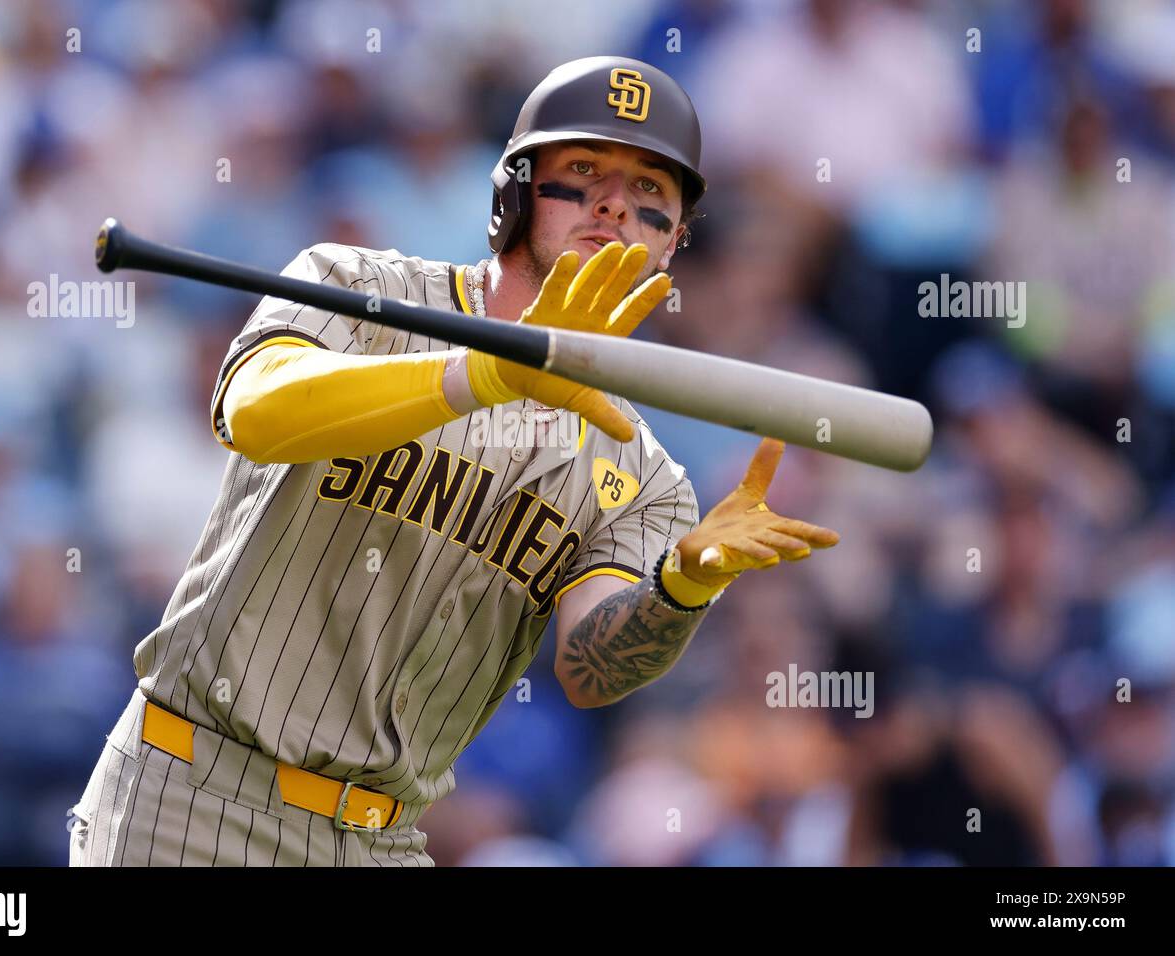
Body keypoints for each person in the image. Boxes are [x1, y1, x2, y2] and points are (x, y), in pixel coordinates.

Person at [68, 55, 839, 867]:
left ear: (673, 241)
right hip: (195, 795)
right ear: (516, 191)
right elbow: (255, 413)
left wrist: (680, 589)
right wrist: (486, 374)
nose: (616, 203)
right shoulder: (356, 286)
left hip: (381, 837)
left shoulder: (644, 476)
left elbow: (589, 669)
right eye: (585, 169)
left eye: (650, 189)